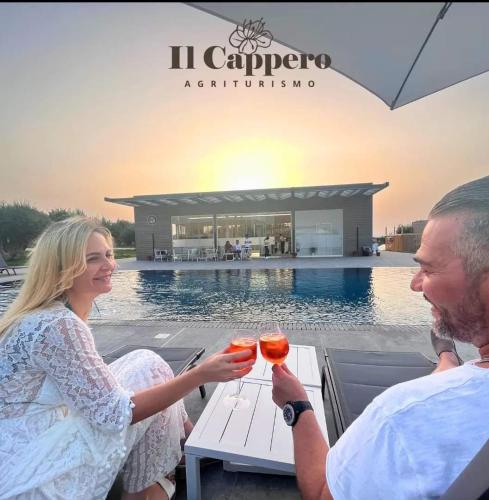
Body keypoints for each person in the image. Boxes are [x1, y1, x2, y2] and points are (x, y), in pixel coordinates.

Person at [0, 217, 255, 500]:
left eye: (108, 254)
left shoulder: (47, 314)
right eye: (93, 258)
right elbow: (115, 415)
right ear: (62, 268)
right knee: (153, 372)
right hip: (35, 463)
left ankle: (183, 444)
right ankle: (152, 482)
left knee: (146, 360)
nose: (109, 265)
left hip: (28, 437)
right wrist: (200, 374)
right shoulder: (58, 325)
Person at [272, 175, 489, 499]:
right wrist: (449, 366)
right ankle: (448, 359)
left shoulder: (402, 415)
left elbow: (320, 492)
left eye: (429, 269)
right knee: (447, 366)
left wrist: (296, 404)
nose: (415, 284)